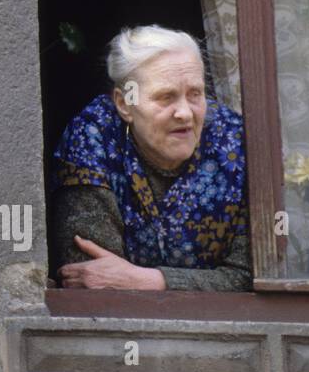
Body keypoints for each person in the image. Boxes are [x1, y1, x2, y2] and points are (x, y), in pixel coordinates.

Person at [50, 24, 251, 291]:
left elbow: (251, 278)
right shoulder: (93, 135)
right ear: (124, 104)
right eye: (165, 97)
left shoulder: (234, 142)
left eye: (195, 94)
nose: (185, 113)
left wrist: (150, 280)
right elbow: (93, 279)